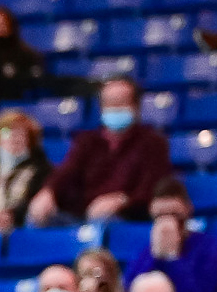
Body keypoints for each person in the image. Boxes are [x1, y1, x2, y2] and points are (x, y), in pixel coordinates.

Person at [27, 78, 171, 226]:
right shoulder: (87, 141)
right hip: (82, 216)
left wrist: (122, 200)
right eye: (109, 103)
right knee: (36, 216)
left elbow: (153, 187)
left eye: (121, 102)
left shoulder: (153, 142)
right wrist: (48, 191)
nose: (115, 108)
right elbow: (67, 171)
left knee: (105, 220)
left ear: (136, 107)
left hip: (125, 218)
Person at [124, 179, 217, 292]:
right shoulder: (146, 252)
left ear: (187, 211)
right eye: (160, 215)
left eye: (174, 215)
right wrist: (156, 257)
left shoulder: (211, 249)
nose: (167, 223)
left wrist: (173, 258)